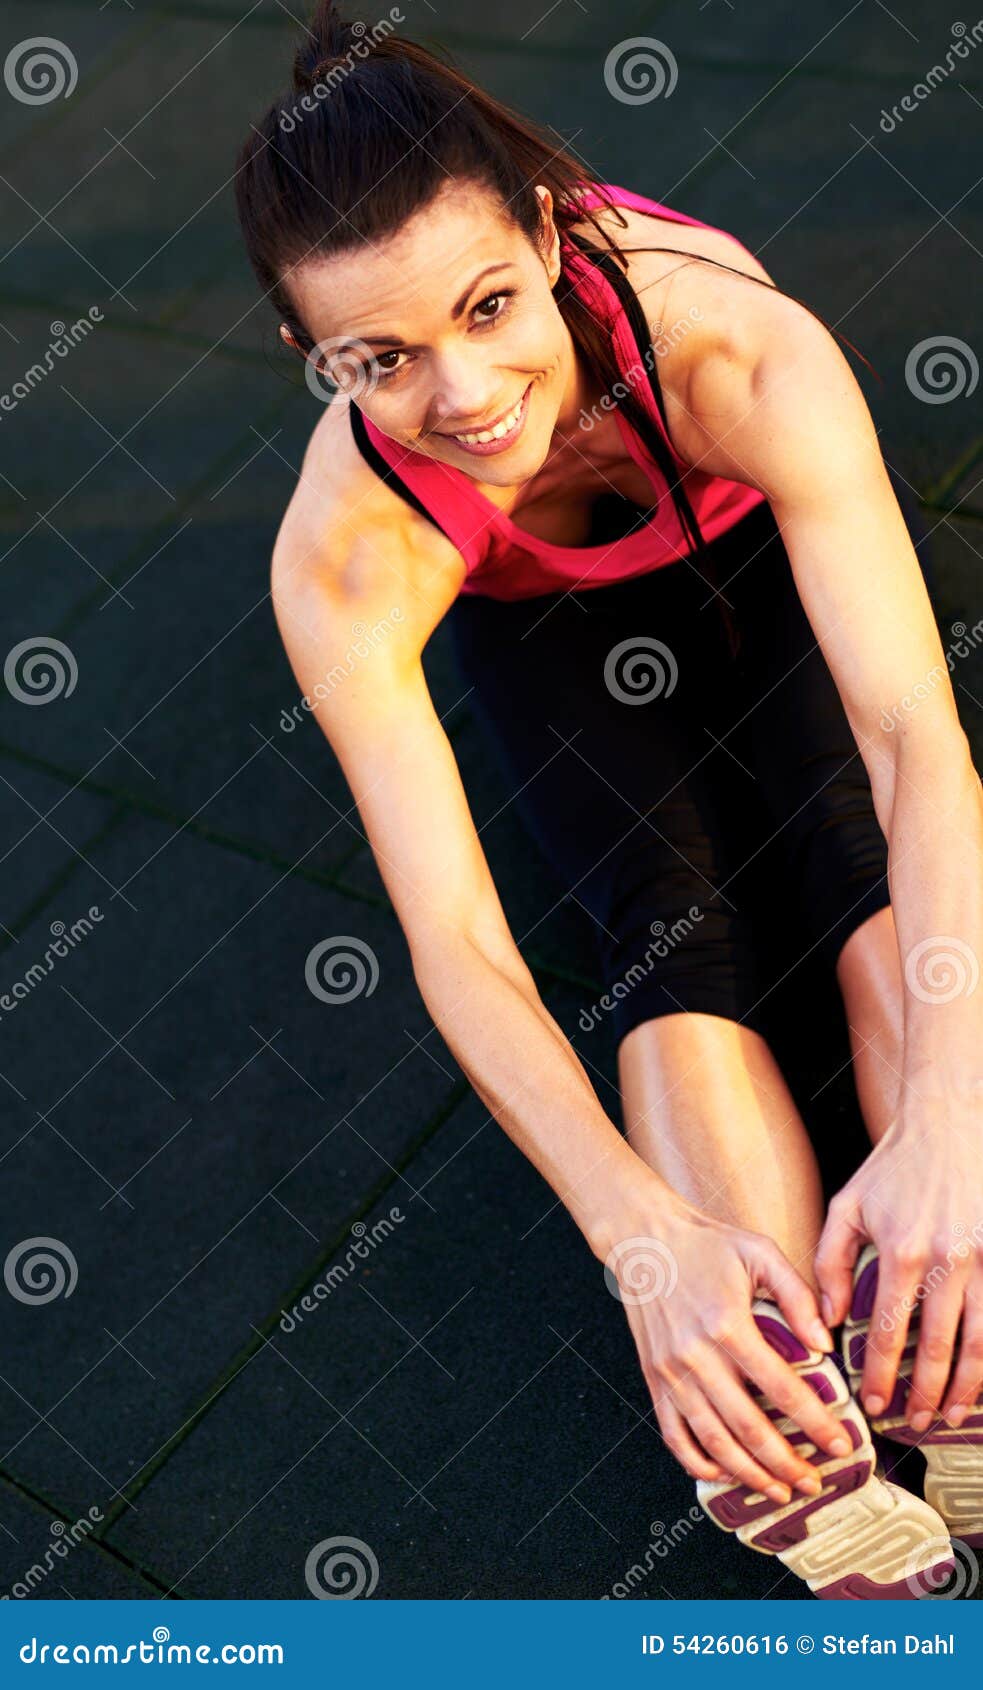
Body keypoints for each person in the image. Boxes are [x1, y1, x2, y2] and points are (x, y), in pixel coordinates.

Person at [235, 2, 983, 1599]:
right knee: (663, 925)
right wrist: (643, 1244)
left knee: (850, 860)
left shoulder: (742, 354)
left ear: (554, 230)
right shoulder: (346, 550)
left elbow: (923, 743)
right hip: (535, 607)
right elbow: (460, 947)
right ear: (312, 359)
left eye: (490, 305)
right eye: (382, 359)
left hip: (737, 524)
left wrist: (954, 1133)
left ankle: (955, 1283)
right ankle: (787, 1402)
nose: (468, 393)